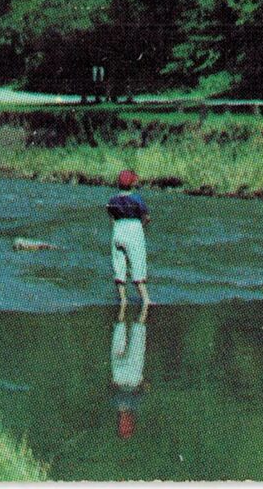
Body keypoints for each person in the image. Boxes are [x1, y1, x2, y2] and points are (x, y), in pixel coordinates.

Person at [107, 168, 151, 307]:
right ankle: (145, 300)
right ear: (133, 184)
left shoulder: (112, 200)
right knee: (137, 266)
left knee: (119, 266)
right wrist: (141, 226)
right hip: (134, 230)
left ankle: (123, 300)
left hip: (118, 231)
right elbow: (147, 217)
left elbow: (111, 217)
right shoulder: (137, 199)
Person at [111, 299, 148, 439]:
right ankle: (123, 304)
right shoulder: (115, 404)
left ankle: (145, 304)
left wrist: (144, 385)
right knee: (119, 333)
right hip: (119, 377)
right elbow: (111, 388)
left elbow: (144, 389)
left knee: (139, 332)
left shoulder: (135, 406)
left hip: (134, 378)